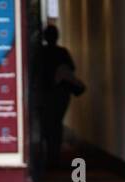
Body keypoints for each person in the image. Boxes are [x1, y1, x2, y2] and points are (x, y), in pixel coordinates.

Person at [36, 25, 81, 171]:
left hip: (44, 95)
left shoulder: (40, 53)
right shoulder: (62, 53)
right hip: (60, 95)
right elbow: (71, 70)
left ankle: (45, 156)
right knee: (56, 124)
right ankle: (54, 156)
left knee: (44, 125)